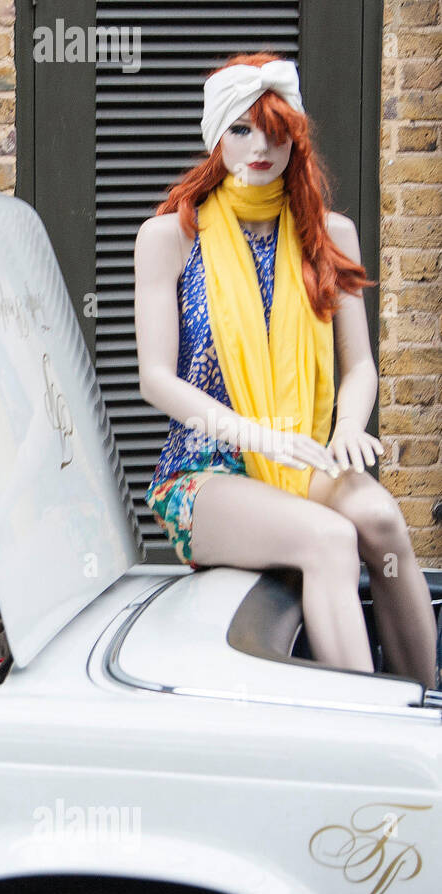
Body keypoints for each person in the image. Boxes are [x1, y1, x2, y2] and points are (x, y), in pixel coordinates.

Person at [135, 53, 437, 689]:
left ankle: (424, 702)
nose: (260, 146)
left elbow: (360, 368)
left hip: (302, 457)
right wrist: (261, 435)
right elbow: (156, 380)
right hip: (205, 471)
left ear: (294, 134)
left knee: (379, 520)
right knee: (328, 540)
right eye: (241, 129)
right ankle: (364, 732)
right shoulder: (170, 238)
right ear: (215, 135)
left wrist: (349, 426)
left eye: (276, 129)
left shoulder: (330, 235)